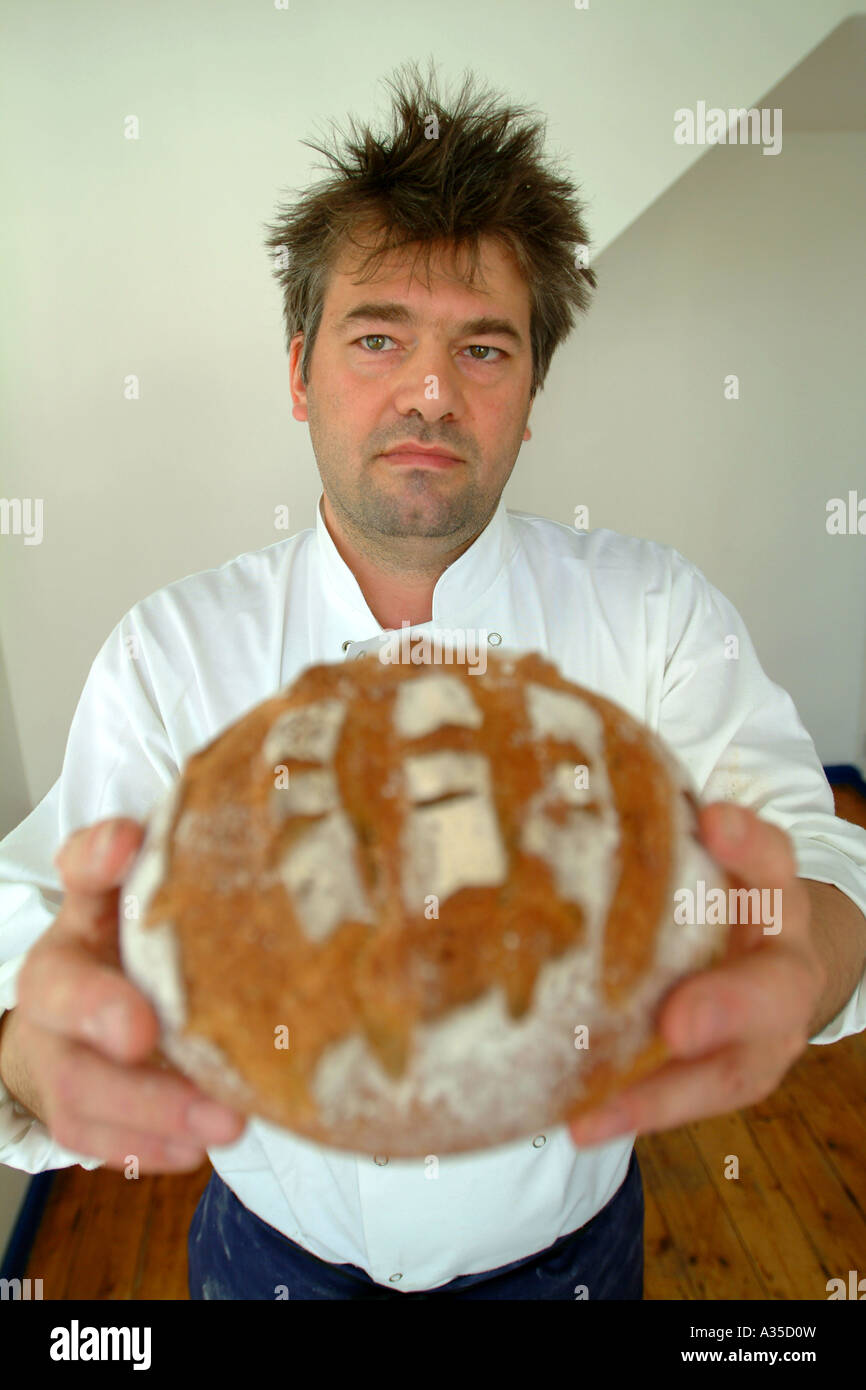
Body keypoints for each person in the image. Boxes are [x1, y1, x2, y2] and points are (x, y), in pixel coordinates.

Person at [1, 60, 865, 1302]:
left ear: (530, 394)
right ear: (297, 373)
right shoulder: (170, 652)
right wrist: (31, 1047)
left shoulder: (656, 615)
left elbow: (813, 855)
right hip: (270, 1264)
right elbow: (26, 924)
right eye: (376, 338)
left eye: (481, 348)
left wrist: (802, 950)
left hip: (566, 1264)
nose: (427, 392)